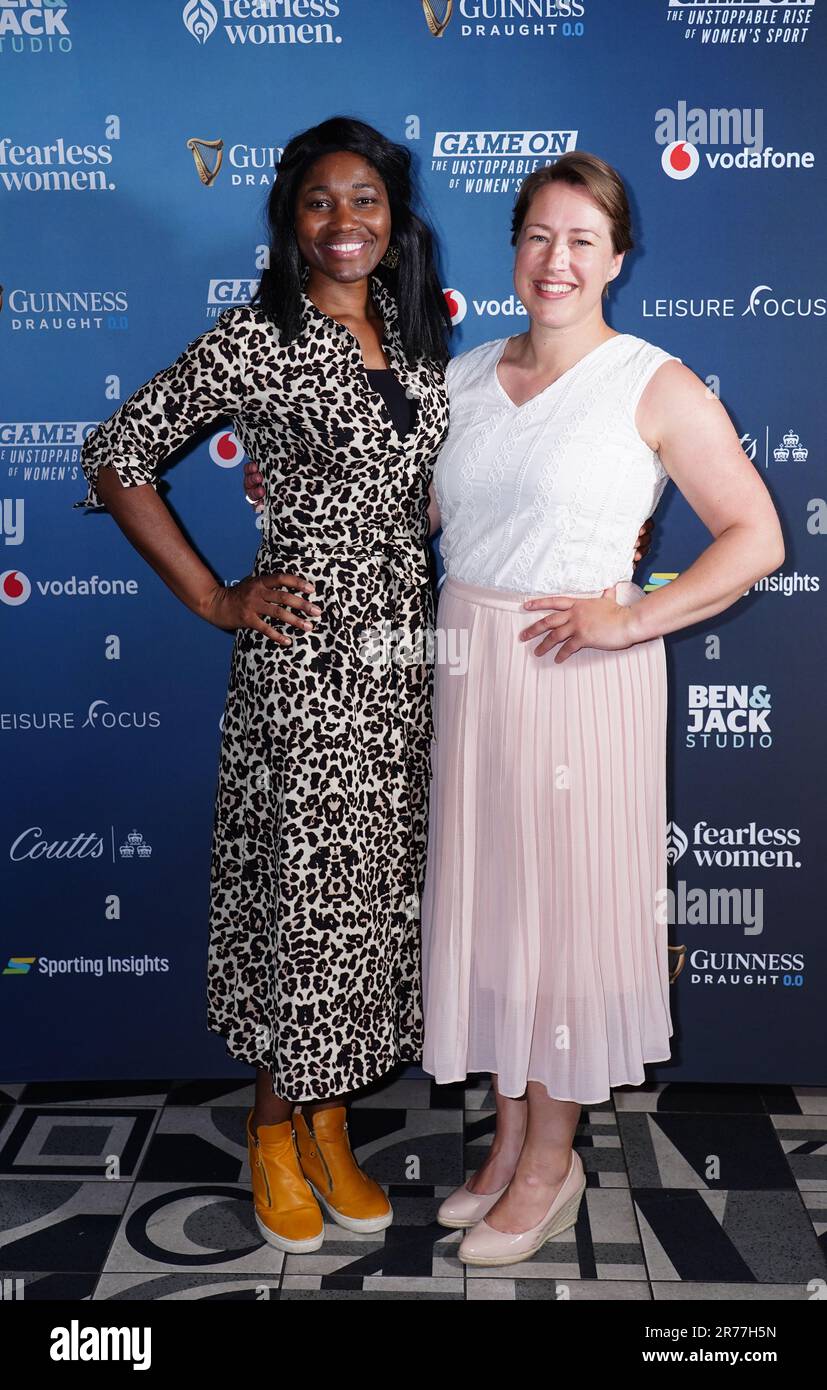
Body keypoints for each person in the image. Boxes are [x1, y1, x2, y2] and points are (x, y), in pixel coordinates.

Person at [73, 116, 454, 1254]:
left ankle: (331, 1118)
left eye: (366, 201)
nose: (346, 224)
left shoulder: (414, 327)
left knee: (375, 901)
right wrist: (215, 596)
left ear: (396, 216)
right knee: (300, 904)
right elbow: (115, 449)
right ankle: (271, 1125)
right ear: (290, 222)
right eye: (320, 203)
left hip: (402, 655)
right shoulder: (258, 339)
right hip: (308, 660)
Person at [416, 151, 784, 1267]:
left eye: (581, 239)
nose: (556, 259)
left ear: (616, 257)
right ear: (512, 250)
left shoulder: (652, 382)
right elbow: (420, 512)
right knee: (493, 909)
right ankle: (511, 1134)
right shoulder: (465, 374)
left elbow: (755, 538)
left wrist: (625, 620)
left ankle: (550, 1161)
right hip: (473, 663)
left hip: (580, 678)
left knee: (563, 917)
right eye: (537, 236)